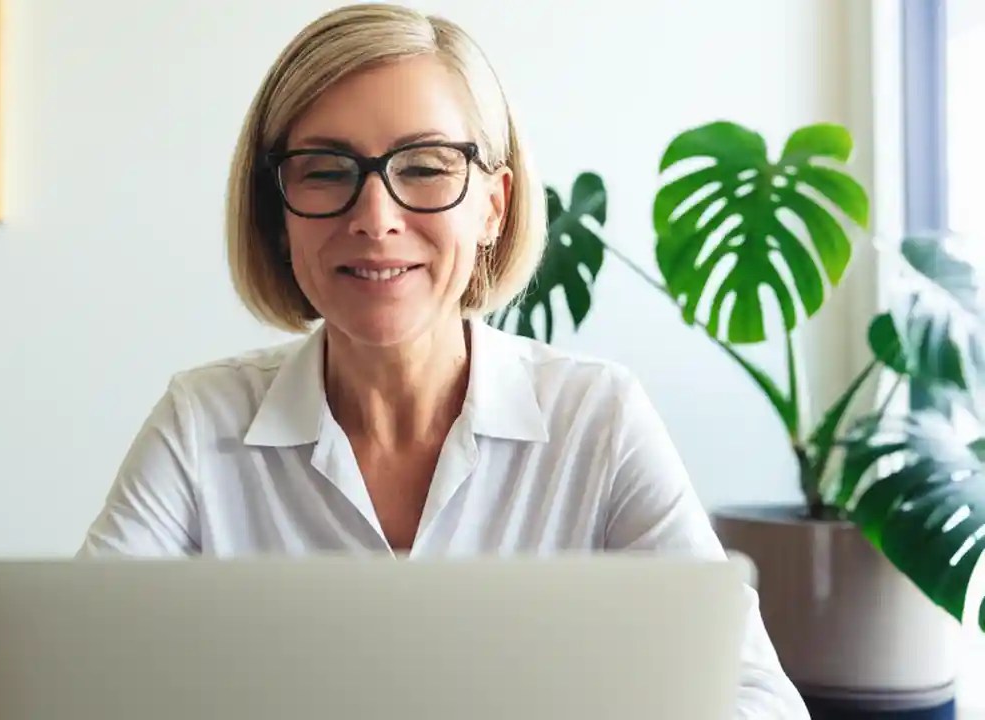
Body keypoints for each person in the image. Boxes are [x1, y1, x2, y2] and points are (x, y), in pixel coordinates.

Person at [78, 4, 808, 717]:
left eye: (425, 167)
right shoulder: (202, 424)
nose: (375, 216)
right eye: (326, 171)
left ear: (494, 204)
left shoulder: (599, 419)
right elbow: (73, 686)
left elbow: (756, 702)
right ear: (277, 211)